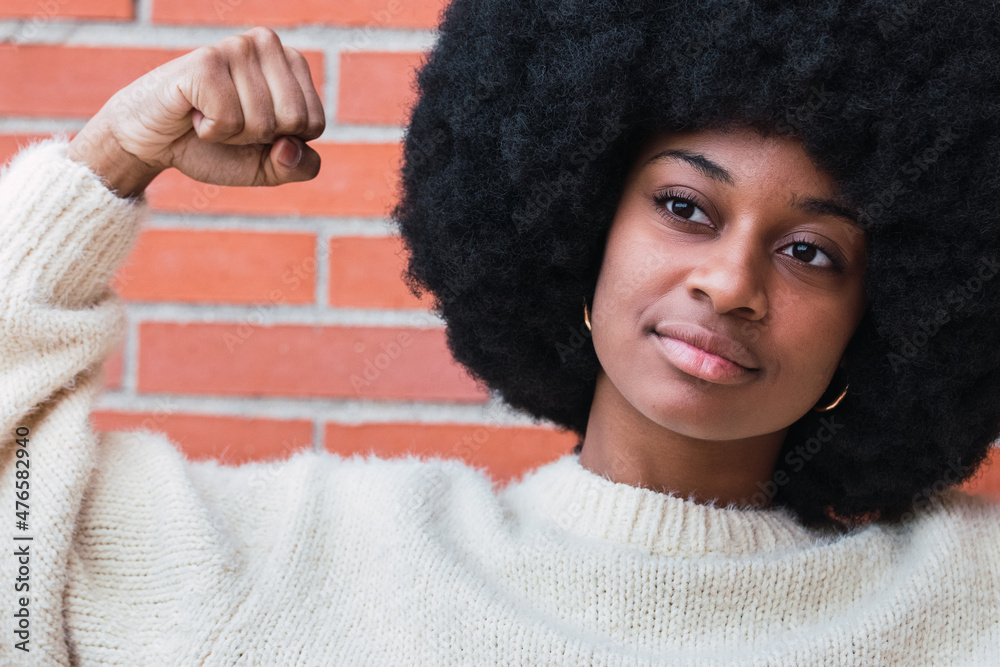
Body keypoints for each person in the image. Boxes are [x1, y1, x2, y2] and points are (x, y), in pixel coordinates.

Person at [1, 0, 998, 664]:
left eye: (811, 253)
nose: (729, 282)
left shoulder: (962, 600)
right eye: (686, 208)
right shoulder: (306, 556)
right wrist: (101, 167)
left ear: (887, 318)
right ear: (580, 224)